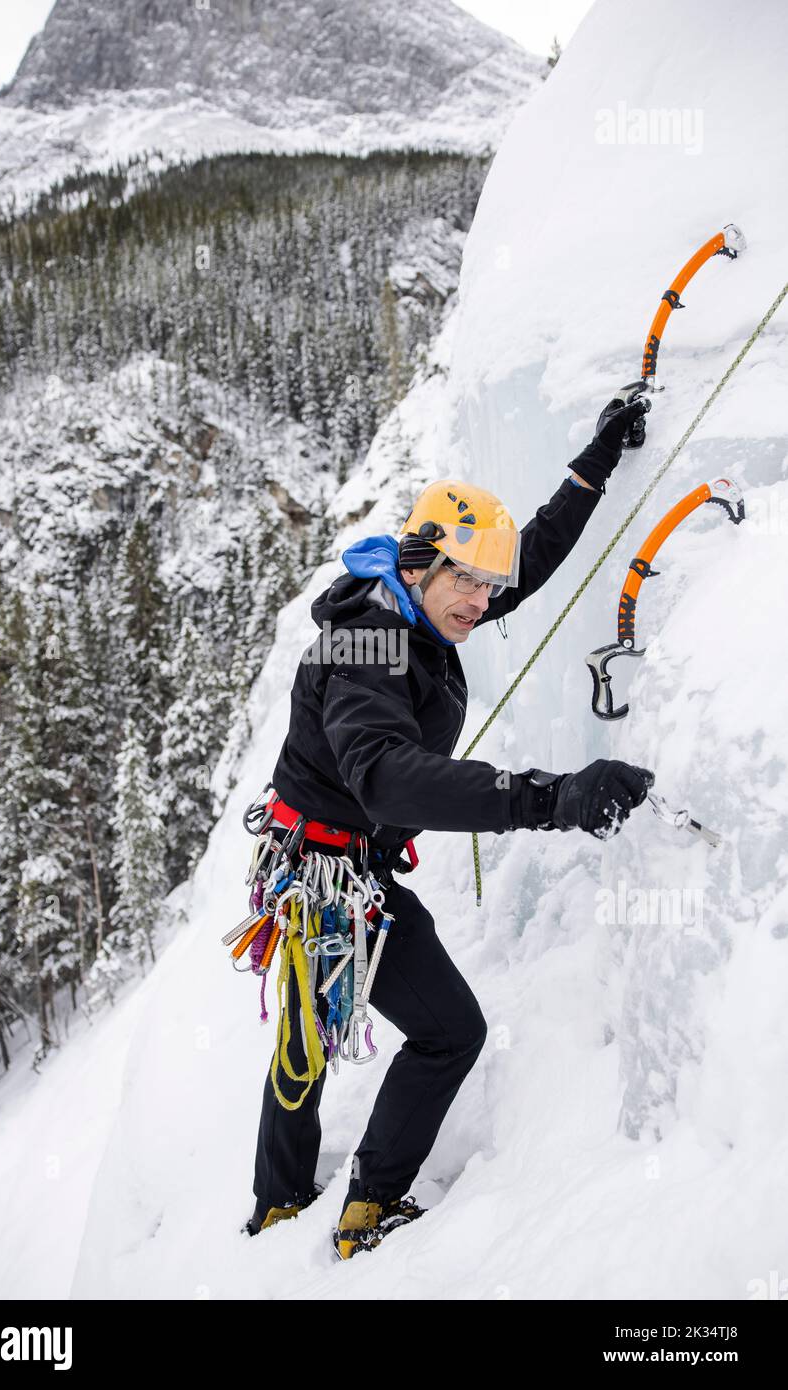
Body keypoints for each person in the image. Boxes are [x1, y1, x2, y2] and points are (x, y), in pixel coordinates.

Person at [244, 388, 654, 1258]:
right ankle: (315, 1208)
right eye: (465, 579)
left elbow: (527, 560)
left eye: (484, 584)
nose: (479, 600)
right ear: (420, 562)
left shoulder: (421, 605)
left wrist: (595, 461)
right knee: (410, 1034)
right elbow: (387, 779)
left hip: (339, 866)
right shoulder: (364, 642)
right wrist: (547, 797)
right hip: (326, 876)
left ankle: (300, 1201)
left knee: (314, 1038)